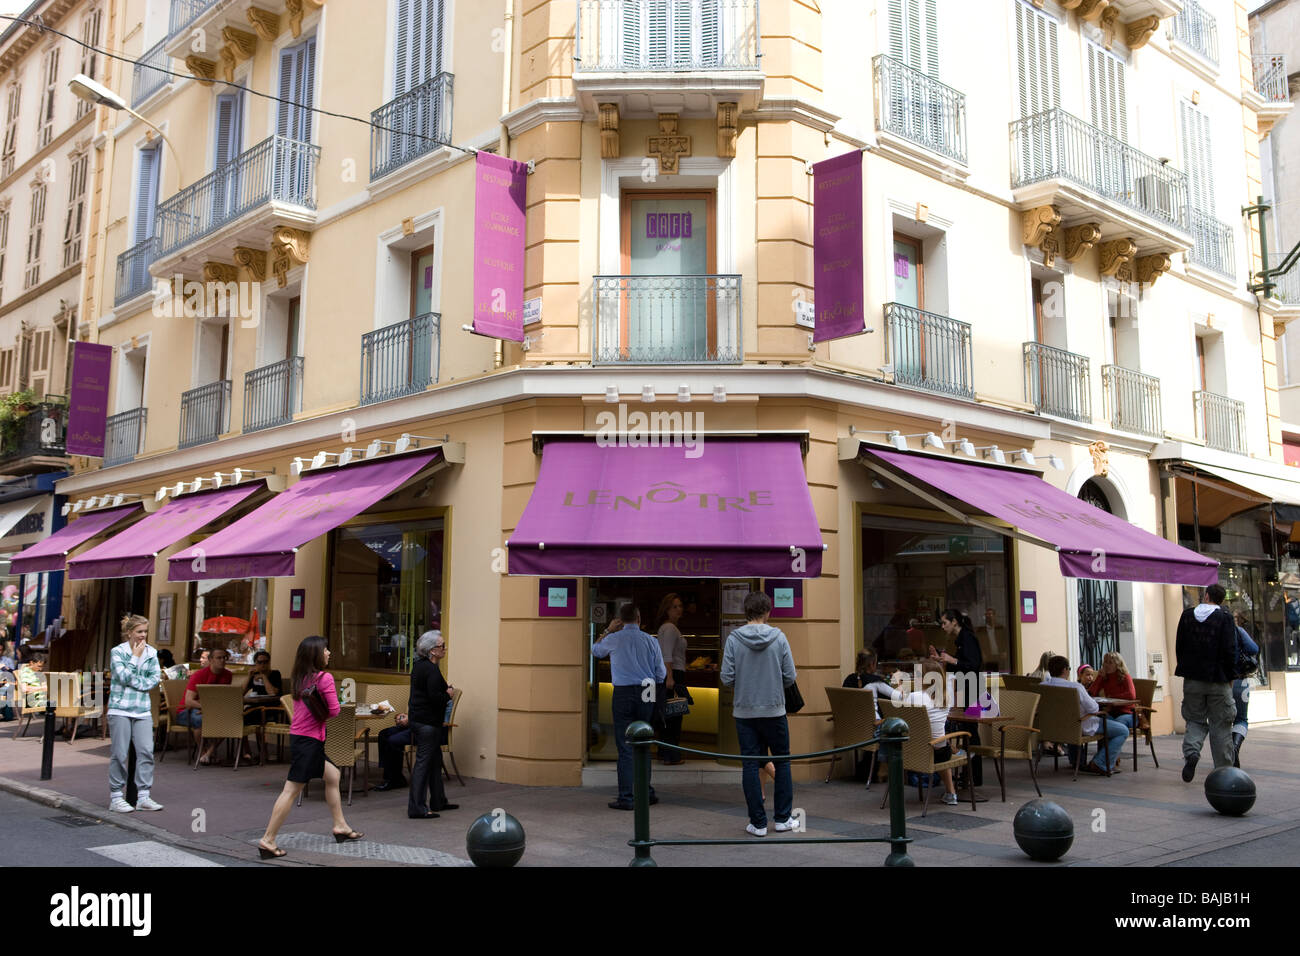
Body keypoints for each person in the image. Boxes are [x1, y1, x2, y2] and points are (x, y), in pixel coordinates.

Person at [256, 636, 361, 859]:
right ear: (316, 654)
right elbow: (334, 711)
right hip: (310, 741)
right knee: (291, 790)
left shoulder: (300, 677)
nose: (329, 653)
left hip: (301, 737)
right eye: (325, 650)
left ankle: (340, 825)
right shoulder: (324, 678)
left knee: (332, 775)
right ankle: (268, 839)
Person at [721, 591, 797, 837]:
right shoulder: (780, 638)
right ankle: (783, 819)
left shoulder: (733, 639)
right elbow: (790, 677)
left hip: (745, 711)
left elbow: (726, 677)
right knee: (782, 762)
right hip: (775, 709)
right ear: (767, 612)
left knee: (750, 765)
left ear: (746, 612)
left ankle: (758, 823)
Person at [593, 605, 666, 810]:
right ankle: (646, 793)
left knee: (625, 746)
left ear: (620, 620)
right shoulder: (651, 641)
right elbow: (661, 674)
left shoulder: (614, 638)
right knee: (644, 741)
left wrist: (608, 630)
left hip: (623, 692)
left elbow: (595, 650)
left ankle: (626, 796)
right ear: (639, 617)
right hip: (647, 690)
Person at [1174, 583, 1238, 781]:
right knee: (1221, 725)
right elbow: (1230, 649)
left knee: (1195, 720)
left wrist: (1187, 668)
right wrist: (1231, 677)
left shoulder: (1187, 616)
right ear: (1221, 599)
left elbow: (1180, 646)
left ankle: (1192, 753)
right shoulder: (1225, 618)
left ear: (1206, 596)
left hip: (1193, 679)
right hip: (1218, 679)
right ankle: (1224, 772)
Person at [107, 614, 163, 813]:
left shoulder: (152, 652)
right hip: (120, 708)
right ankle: (116, 797)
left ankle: (143, 797)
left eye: (145, 632)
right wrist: (135, 659)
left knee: (146, 751)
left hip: (142, 709)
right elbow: (121, 677)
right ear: (129, 632)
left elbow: (154, 679)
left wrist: (134, 681)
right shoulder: (118, 652)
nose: (143, 636)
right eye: (139, 632)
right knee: (119, 754)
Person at [1040, 655, 1128, 774]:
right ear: (1065, 670)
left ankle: (1076, 761)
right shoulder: (1075, 687)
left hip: (1056, 727)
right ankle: (1100, 763)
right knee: (1123, 731)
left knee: (1072, 721)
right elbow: (1094, 707)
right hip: (1081, 724)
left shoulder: (1043, 687)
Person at [408, 630, 458, 818]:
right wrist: (448, 694)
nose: (445, 649)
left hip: (423, 721)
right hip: (427, 723)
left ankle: (438, 800)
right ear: (432, 651)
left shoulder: (421, 666)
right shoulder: (429, 669)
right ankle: (416, 807)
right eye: (441, 646)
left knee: (435, 761)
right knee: (423, 764)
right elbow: (434, 697)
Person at [932, 609, 984, 786]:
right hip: (966, 688)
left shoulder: (967, 638)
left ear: (955, 622)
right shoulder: (962, 639)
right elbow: (962, 667)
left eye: (945, 622)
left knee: (971, 730)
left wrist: (952, 660)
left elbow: (973, 665)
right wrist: (944, 661)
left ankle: (974, 776)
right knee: (968, 729)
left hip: (973, 689)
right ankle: (969, 773)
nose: (943, 626)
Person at [904, 659, 962, 806]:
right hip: (940, 752)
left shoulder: (914, 696)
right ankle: (951, 793)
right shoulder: (945, 698)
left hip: (914, 751)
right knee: (942, 742)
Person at [177, 647, 234, 765]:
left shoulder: (228, 675)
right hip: (187, 711)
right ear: (211, 660)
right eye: (219, 658)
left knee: (231, 721)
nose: (222, 660)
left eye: (225, 658)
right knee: (200, 719)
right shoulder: (199, 675)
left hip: (211, 710)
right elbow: (189, 701)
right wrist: (207, 709)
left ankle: (208, 753)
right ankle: (202, 752)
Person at [655, 593, 690, 765]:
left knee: (670, 714)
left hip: (673, 673)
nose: (678, 609)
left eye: (680, 606)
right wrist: (669, 677)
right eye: (674, 606)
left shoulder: (669, 628)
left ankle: (664, 752)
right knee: (674, 715)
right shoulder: (669, 628)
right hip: (673, 674)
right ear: (666, 609)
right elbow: (666, 655)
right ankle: (671, 755)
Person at [1231, 611, 1259, 768]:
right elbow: (1253, 648)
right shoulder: (1238, 631)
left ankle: (1224, 757)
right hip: (1240, 681)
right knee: (1241, 719)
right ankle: (1235, 747)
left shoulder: (1213, 631)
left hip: (1220, 683)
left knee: (1221, 722)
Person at [1089, 652, 1137, 732]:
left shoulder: (1125, 677)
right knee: (1098, 721)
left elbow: (1131, 695)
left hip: (1127, 713)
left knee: (1115, 726)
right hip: (1111, 712)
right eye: (1105, 662)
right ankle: (1105, 744)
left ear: (1118, 664)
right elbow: (1092, 693)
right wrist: (1099, 677)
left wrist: (1112, 697)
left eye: (1110, 662)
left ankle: (1107, 744)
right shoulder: (1105, 677)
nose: (1106, 665)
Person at [373, 712, 411, 791]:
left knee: (391, 739)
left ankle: (392, 778)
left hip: (419, 728)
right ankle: (395, 778)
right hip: (411, 724)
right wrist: (404, 716)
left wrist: (409, 719)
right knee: (383, 734)